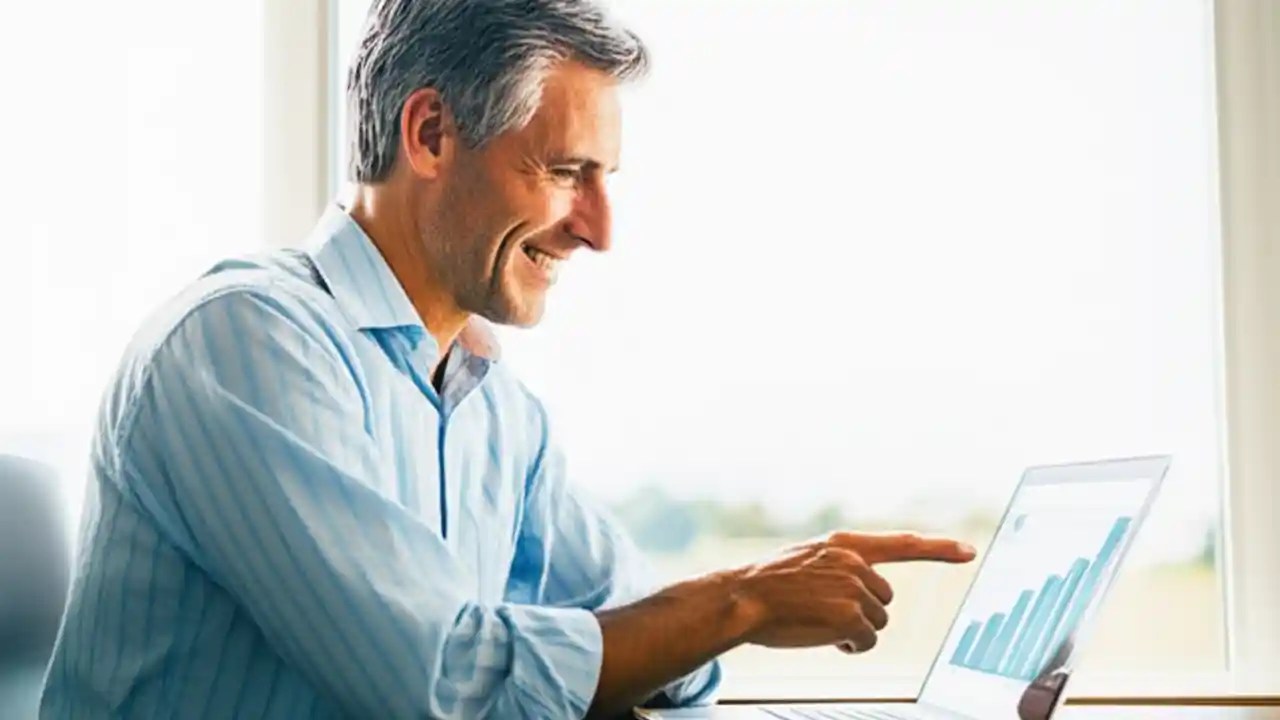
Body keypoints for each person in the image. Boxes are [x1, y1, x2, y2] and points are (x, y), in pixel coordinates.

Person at [41, 1, 976, 717]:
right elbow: (451, 680)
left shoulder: (492, 407)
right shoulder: (244, 345)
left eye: (605, 181)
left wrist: (765, 597)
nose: (599, 232)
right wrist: (740, 605)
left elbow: (640, 632)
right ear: (431, 136)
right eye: (567, 172)